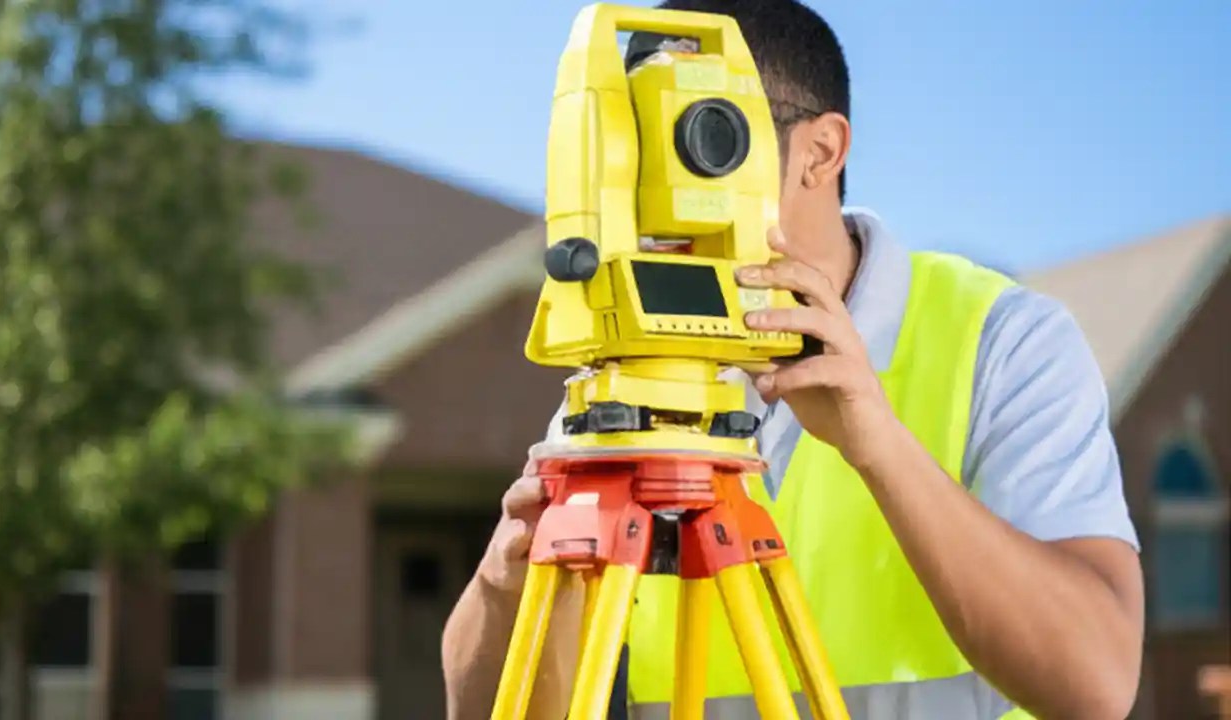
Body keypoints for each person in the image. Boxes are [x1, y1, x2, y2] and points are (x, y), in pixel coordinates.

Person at [441, 1, 1144, 718]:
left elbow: (1094, 686)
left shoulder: (1004, 342)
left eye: (698, 130)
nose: (652, 179)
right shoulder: (631, 366)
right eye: (637, 138)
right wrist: (507, 587)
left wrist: (880, 447)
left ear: (820, 152)